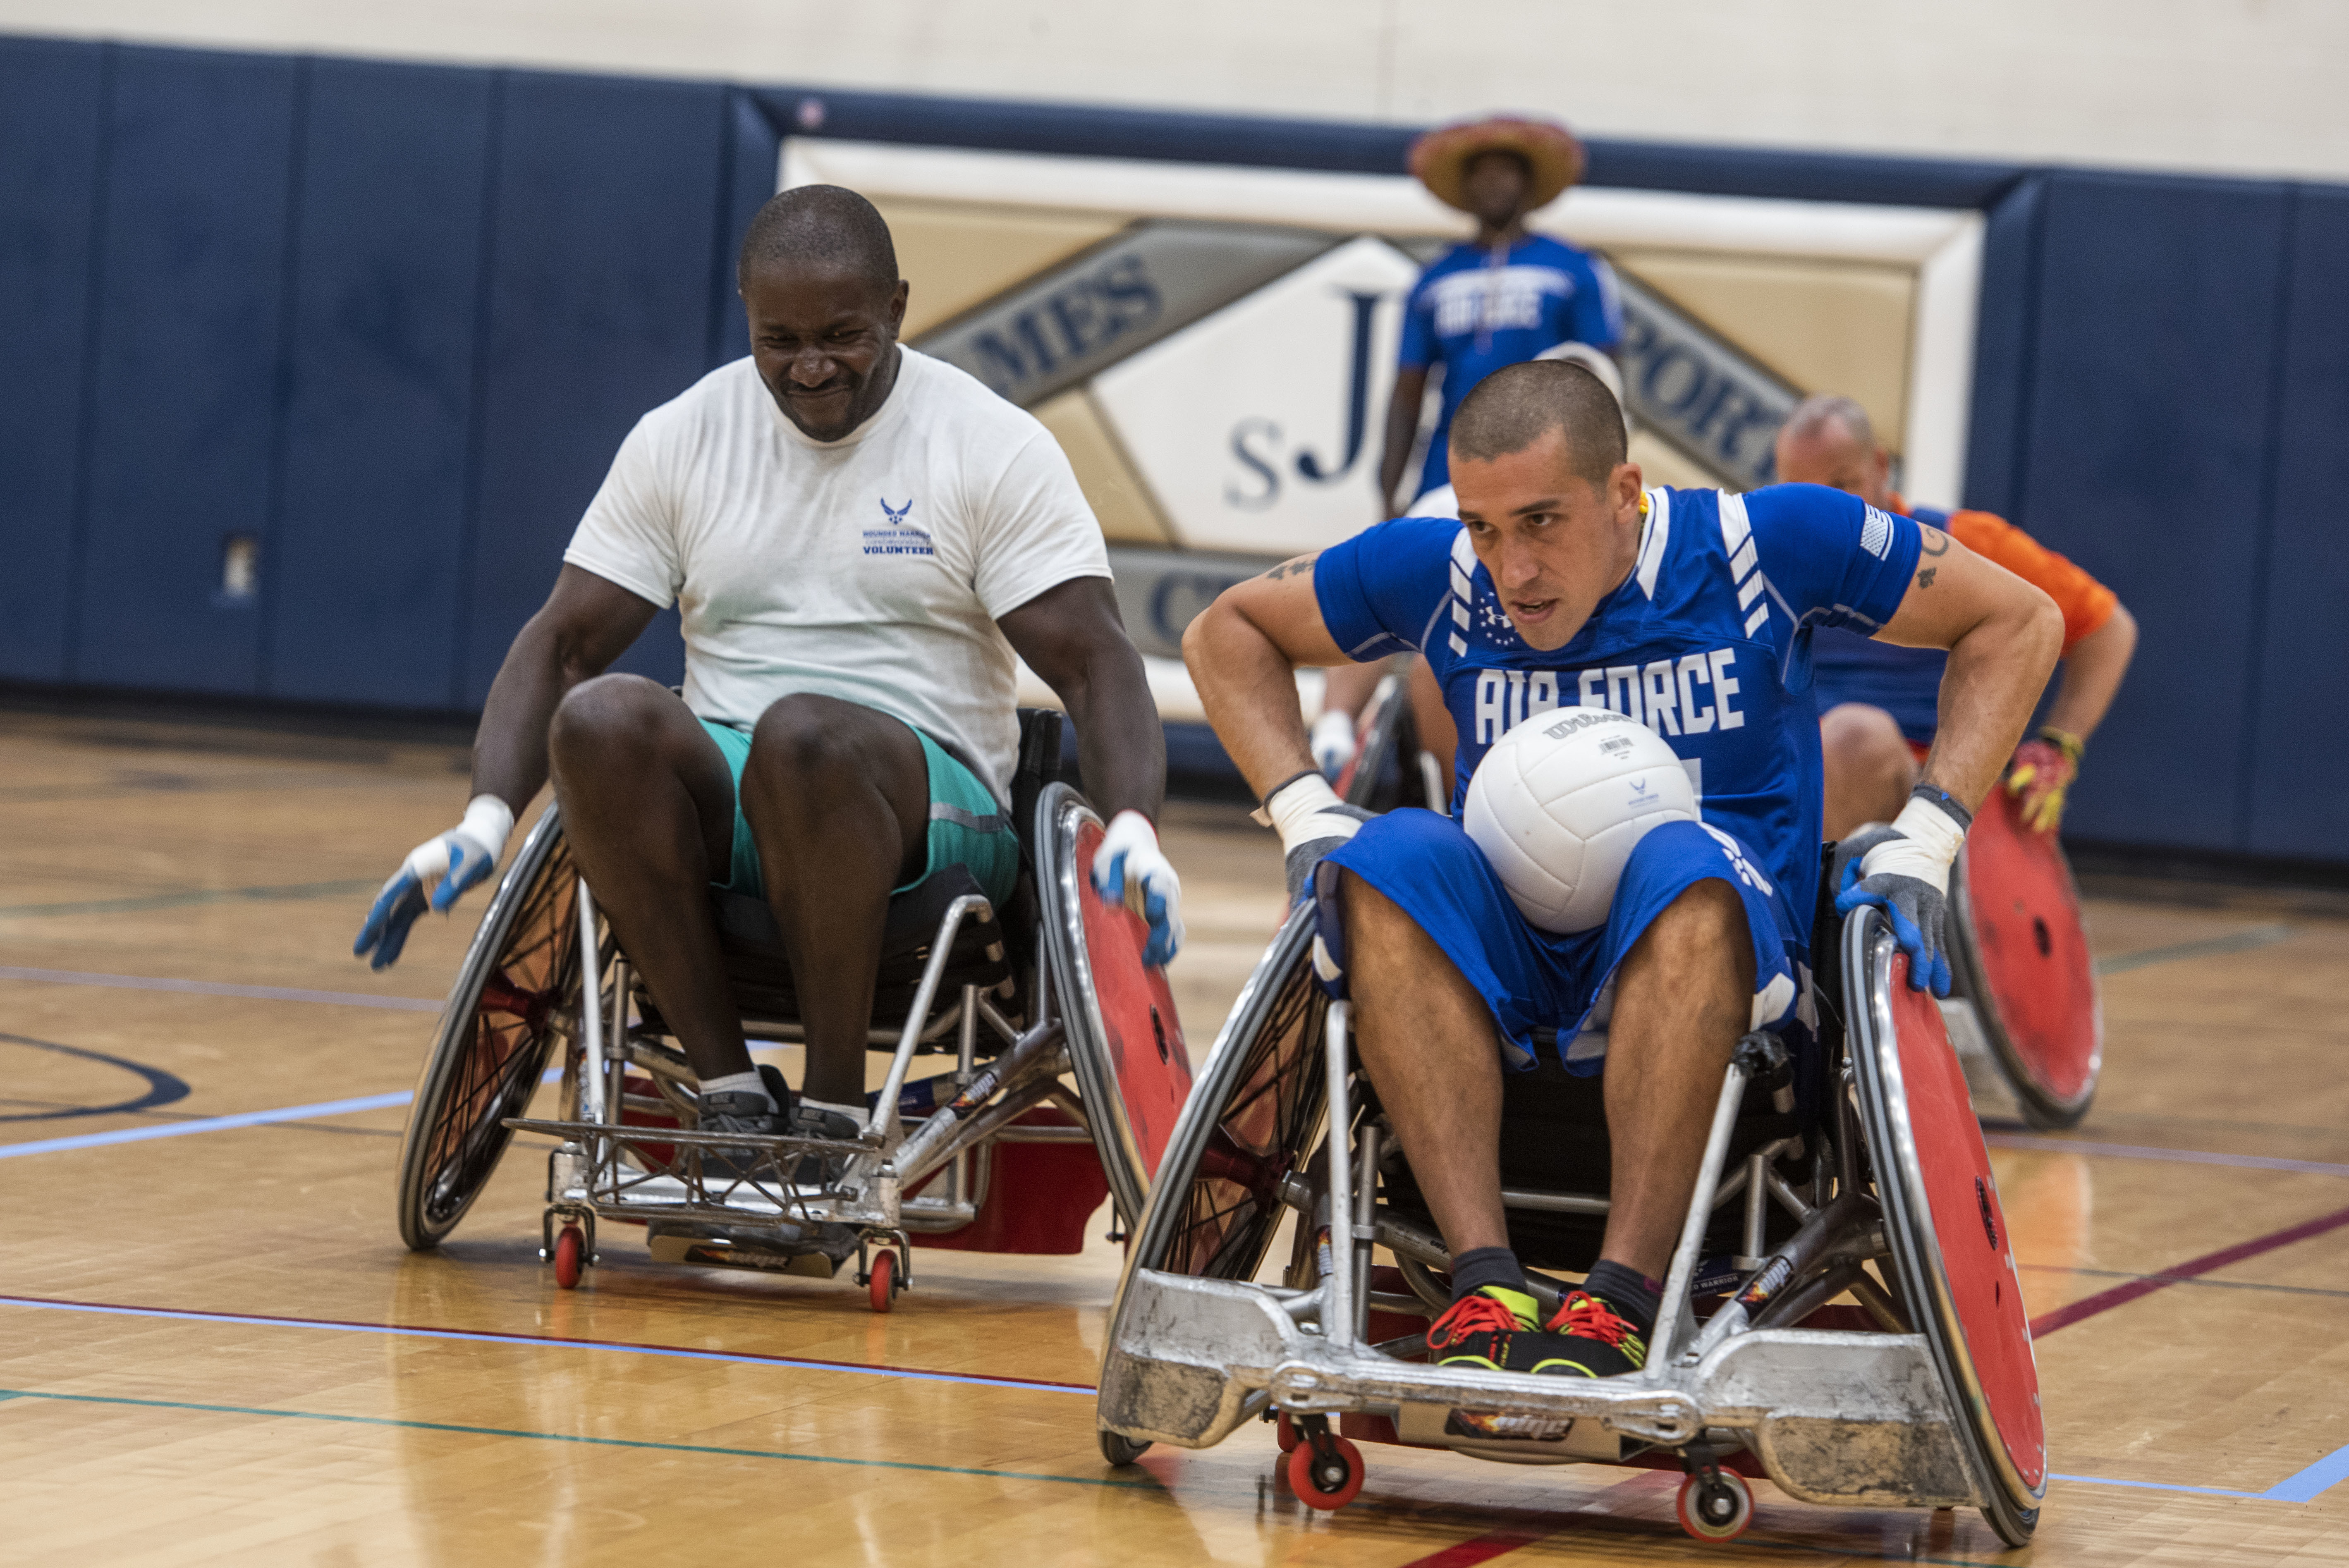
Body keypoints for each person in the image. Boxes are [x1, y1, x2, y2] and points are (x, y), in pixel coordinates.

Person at [1184, 359, 2058, 1394]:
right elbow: (1224, 631)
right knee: (1388, 852)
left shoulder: (1761, 546)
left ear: (1624, 492)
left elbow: (2019, 619)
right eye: (1483, 526)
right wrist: (1301, 809)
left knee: (1678, 857)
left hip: (1727, 966)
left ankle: (1625, 1297)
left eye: (1542, 521)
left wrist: (1925, 836)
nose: (1512, 567)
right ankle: (1483, 1279)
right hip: (1509, 978)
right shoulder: (1445, 576)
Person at [354, 185, 1180, 1201]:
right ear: (745, 312)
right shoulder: (684, 436)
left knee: (805, 736)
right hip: (744, 782)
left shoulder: (989, 445)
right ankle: (731, 1091)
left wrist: (1134, 823)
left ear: (898, 309)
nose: (810, 365)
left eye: (842, 334)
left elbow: (1097, 660)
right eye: (778, 338)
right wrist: (482, 822)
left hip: (935, 801)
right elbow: (564, 644)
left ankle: (835, 1112)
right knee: (603, 715)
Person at [1316, 115, 1622, 784]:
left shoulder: (1575, 270)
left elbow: (1604, 382)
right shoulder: (1434, 280)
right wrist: (1389, 487)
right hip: (1451, 474)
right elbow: (1406, 392)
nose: (1493, 182)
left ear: (1528, 182)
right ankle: (1337, 729)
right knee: (1388, 582)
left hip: (1545, 477)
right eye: (1480, 171)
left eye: (1506, 169)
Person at [1775, 394, 2138, 841]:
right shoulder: (1766, 557)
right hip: (1791, 784)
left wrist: (2058, 746)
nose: (1827, 516)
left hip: (1926, 795)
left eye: (1843, 486)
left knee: (1854, 738)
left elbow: (2107, 629)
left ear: (1880, 467)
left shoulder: (1964, 544)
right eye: (1803, 496)